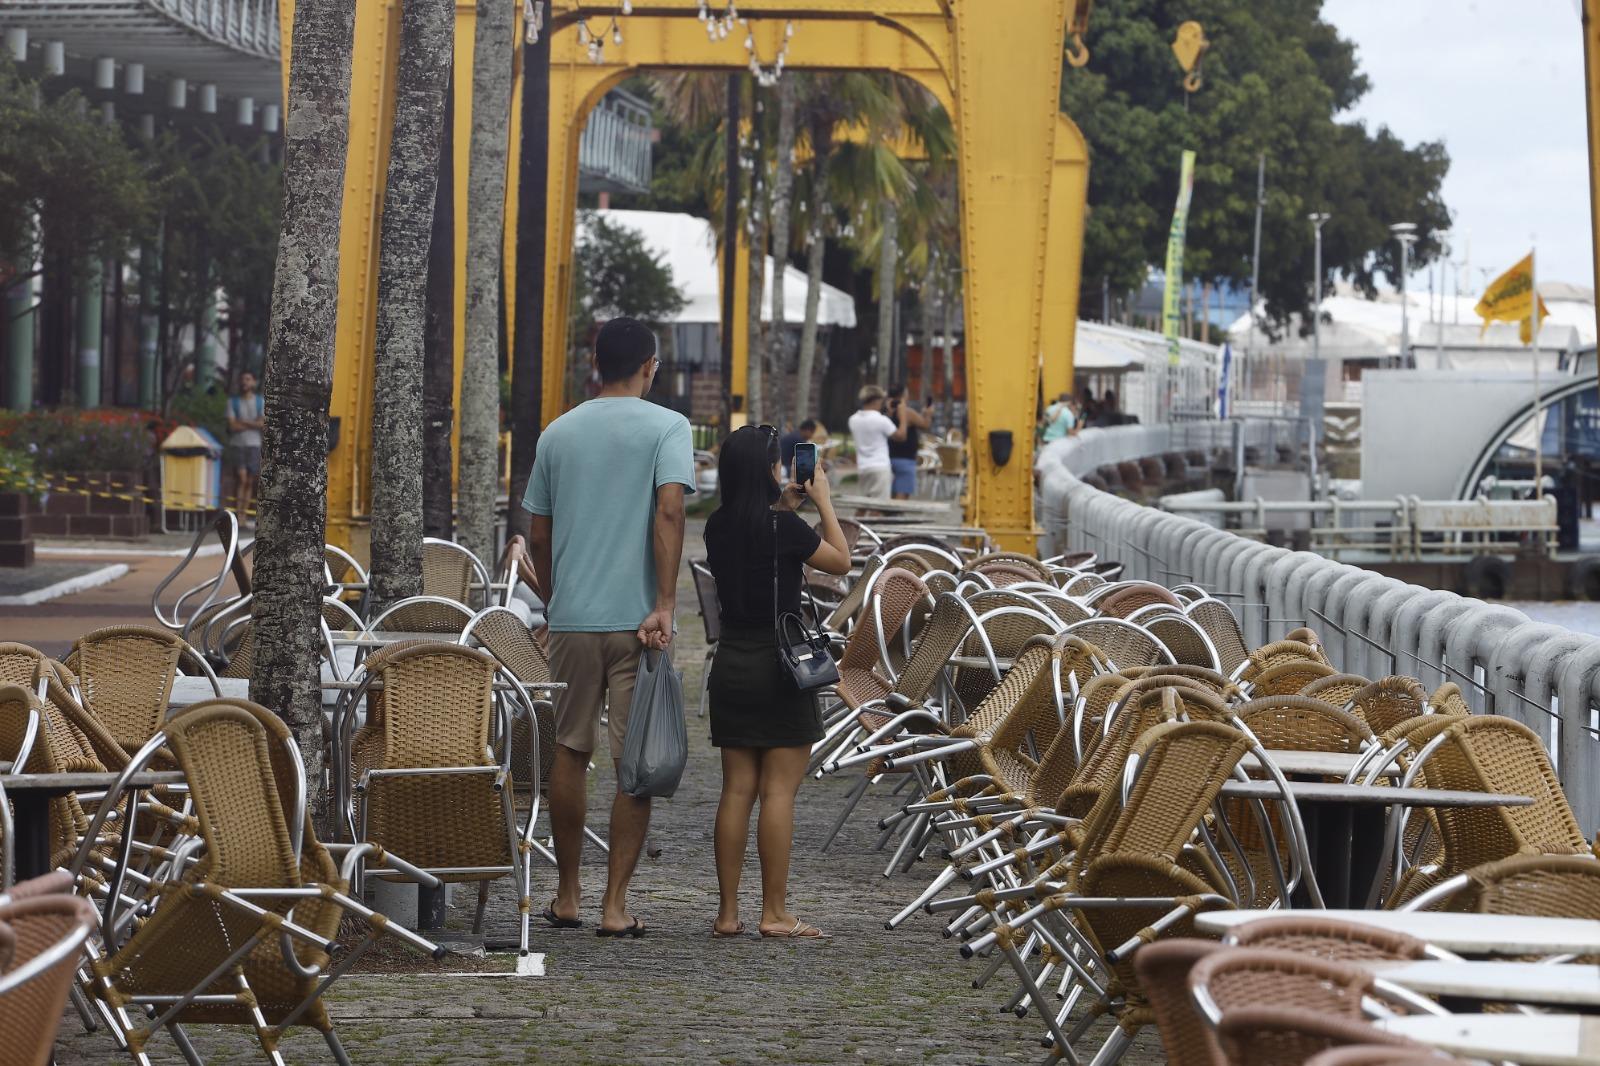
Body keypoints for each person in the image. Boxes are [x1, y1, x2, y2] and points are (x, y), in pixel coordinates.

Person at [525, 316, 695, 938]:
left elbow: (538, 532)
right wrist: (666, 602)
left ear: (596, 363)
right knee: (634, 760)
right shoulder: (667, 427)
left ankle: (567, 894)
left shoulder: (558, 433)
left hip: (571, 619)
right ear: (649, 366)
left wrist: (552, 593)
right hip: (639, 622)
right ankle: (615, 906)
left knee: (569, 751)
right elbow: (671, 509)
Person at [704, 425, 851, 939]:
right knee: (780, 792)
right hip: (781, 667)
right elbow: (840, 560)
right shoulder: (782, 529)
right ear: (770, 471)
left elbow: (756, 542)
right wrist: (823, 501)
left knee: (736, 789)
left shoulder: (717, 526)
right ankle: (774, 913)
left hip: (732, 665)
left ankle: (727, 914)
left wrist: (785, 508)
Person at [847, 385, 907, 500]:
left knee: (863, 504)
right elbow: (901, 436)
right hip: (880, 467)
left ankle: (855, 519)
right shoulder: (881, 420)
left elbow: (875, 430)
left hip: (863, 467)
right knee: (878, 507)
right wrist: (903, 415)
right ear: (876, 400)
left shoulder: (853, 420)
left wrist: (888, 415)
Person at [225, 371, 264, 526]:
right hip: (238, 444)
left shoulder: (260, 402)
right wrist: (253, 423)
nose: (244, 382)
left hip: (254, 444)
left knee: (249, 480)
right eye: (243, 379)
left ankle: (243, 514)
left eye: (248, 379)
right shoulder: (233, 402)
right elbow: (232, 425)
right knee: (241, 477)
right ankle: (238, 513)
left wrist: (243, 422)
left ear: (253, 382)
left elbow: (262, 423)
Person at [886, 383, 932, 499]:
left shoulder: (887, 411)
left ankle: (889, 515)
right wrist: (928, 414)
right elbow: (925, 424)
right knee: (903, 492)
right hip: (905, 459)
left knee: (893, 491)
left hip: (889, 456)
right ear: (903, 395)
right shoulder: (907, 412)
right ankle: (895, 516)